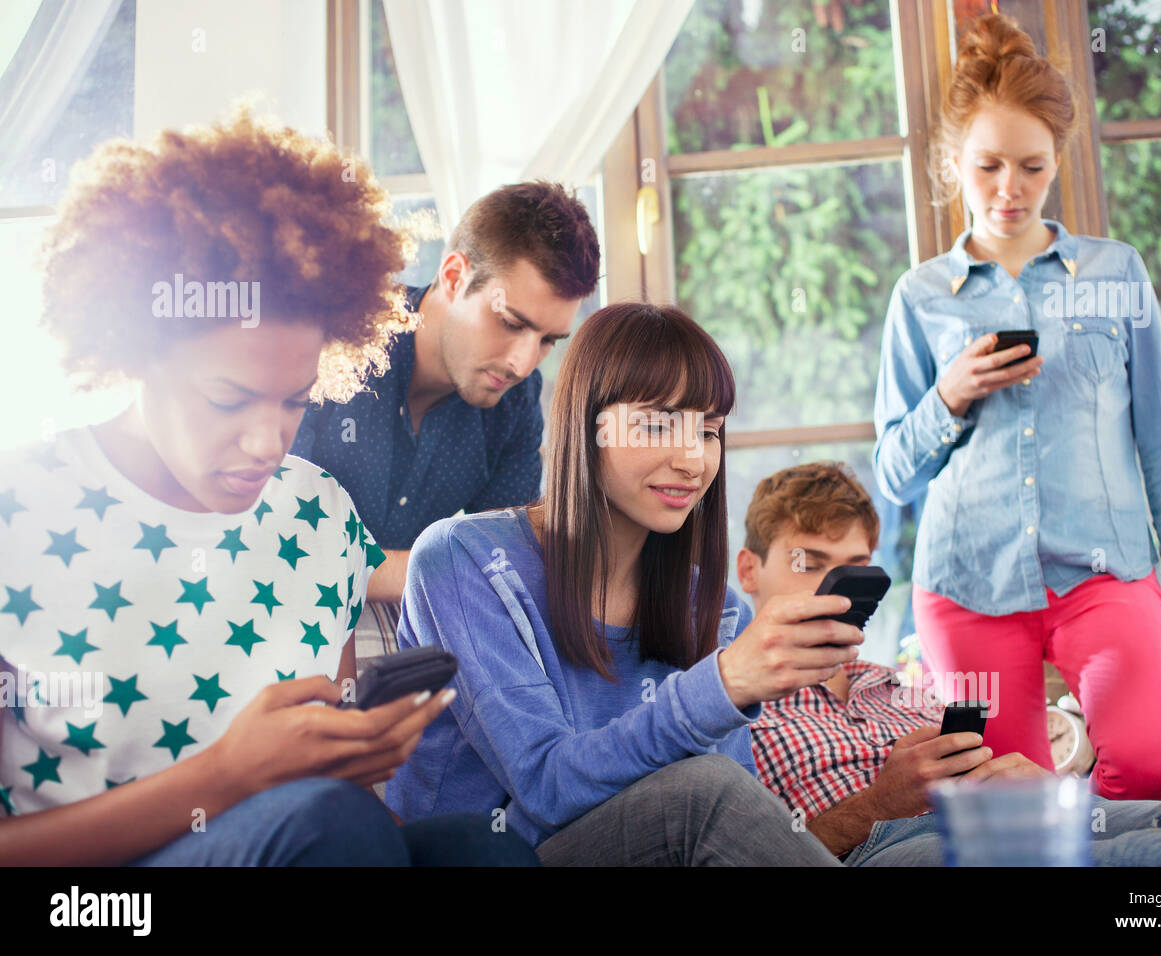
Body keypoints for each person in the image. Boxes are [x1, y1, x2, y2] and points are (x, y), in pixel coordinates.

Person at [0, 108, 536, 866]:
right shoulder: (17, 515)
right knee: (325, 824)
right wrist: (223, 778)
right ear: (135, 349)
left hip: (308, 843)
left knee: (489, 856)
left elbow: (335, 798)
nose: (266, 444)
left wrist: (356, 756)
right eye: (227, 400)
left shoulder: (317, 516)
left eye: (294, 401)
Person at [872, 12, 1161, 801]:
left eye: (1031, 167)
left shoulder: (1116, 272)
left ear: (1056, 160)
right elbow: (891, 475)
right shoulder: (920, 296)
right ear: (952, 163)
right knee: (1007, 809)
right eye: (989, 165)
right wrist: (948, 397)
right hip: (966, 583)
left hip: (1106, 570)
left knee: (1153, 770)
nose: (1010, 190)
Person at [387, 303, 861, 866]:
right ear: (588, 426)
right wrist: (724, 685)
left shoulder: (715, 607)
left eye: (708, 432)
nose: (692, 460)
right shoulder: (461, 560)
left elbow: (737, 817)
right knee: (701, 795)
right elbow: (545, 786)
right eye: (660, 423)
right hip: (497, 856)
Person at [739, 460, 1161, 866]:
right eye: (809, 563)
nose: (836, 589)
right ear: (748, 571)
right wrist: (878, 803)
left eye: (855, 566)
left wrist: (1037, 786)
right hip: (889, 851)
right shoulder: (728, 703)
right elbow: (740, 855)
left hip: (1007, 819)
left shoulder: (891, 684)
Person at [289, 181, 601, 608]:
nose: (524, 364)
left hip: (409, 624)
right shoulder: (336, 341)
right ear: (454, 277)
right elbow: (272, 544)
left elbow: (505, 564)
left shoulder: (516, 400)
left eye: (549, 340)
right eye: (511, 323)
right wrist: (446, 573)